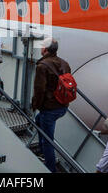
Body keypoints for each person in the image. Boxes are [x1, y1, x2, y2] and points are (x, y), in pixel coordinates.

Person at [31, 37, 70, 173]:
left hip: (50, 108)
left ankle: (51, 168)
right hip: (63, 106)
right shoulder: (65, 64)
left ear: (45, 49)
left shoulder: (42, 66)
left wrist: (35, 105)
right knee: (38, 120)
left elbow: (39, 89)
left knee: (48, 140)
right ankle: (43, 153)